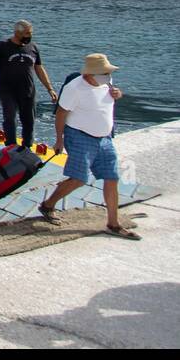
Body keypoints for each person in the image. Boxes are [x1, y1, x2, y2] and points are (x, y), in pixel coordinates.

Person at [38, 54, 140, 239]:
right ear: (90, 73)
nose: (108, 75)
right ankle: (48, 204)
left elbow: (108, 99)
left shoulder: (106, 82)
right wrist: (59, 140)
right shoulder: (74, 88)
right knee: (79, 178)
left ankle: (113, 223)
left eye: (109, 72)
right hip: (79, 136)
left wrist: (118, 94)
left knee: (112, 177)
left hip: (104, 138)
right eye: (105, 72)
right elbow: (61, 113)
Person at [0, 19, 57, 149]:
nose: (29, 36)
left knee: (29, 120)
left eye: (30, 33)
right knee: (10, 118)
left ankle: (27, 147)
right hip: (7, 90)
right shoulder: (2, 46)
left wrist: (50, 89)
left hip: (28, 90)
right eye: (27, 33)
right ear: (17, 33)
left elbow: (39, 68)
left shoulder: (33, 47)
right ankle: (11, 146)